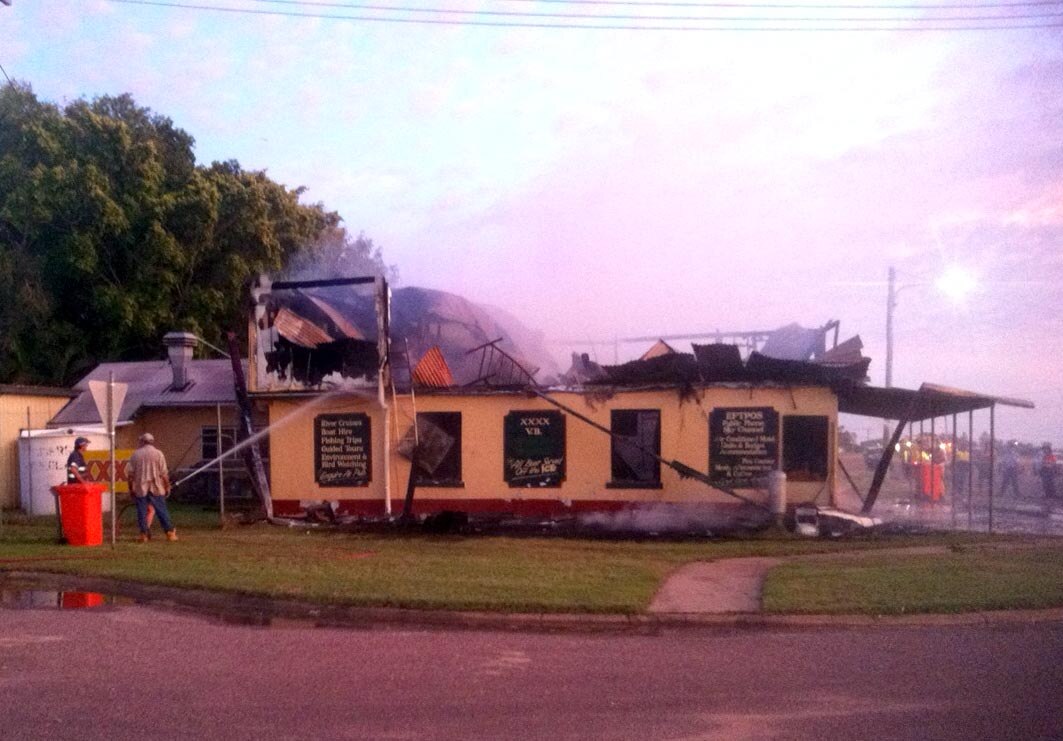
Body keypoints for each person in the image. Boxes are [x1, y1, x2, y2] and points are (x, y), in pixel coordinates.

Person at [126, 432, 177, 542]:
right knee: (161, 511)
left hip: (141, 487)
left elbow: (130, 475)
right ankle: (170, 533)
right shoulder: (159, 454)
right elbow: (164, 473)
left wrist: (131, 489)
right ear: (152, 442)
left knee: (142, 511)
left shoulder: (136, 454)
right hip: (156, 487)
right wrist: (167, 486)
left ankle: (144, 534)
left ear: (142, 441)